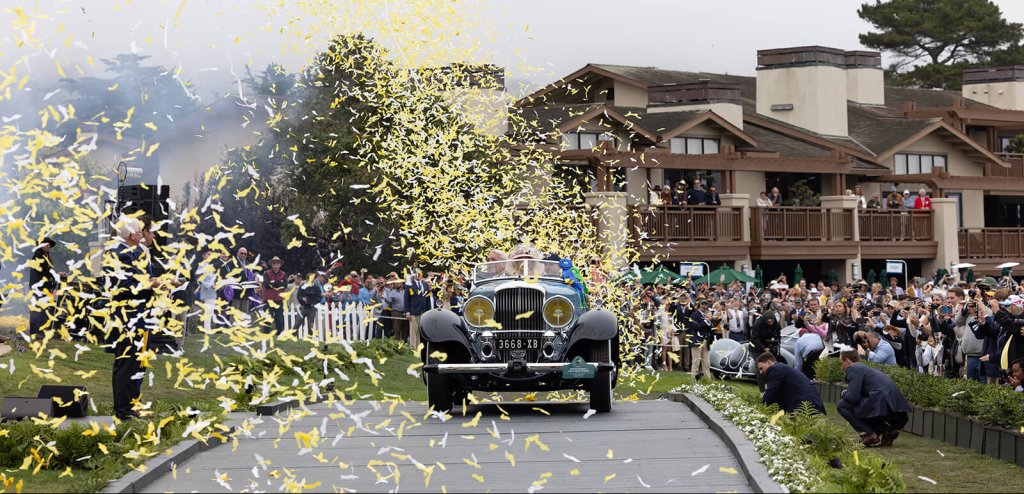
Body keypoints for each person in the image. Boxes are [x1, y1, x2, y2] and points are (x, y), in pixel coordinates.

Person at [104, 215, 162, 421]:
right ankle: (124, 409)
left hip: (140, 314)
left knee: (138, 362)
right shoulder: (118, 253)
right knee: (127, 363)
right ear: (131, 234)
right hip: (128, 315)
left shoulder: (137, 251)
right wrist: (150, 283)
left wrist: (159, 283)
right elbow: (124, 285)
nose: (142, 233)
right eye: (139, 230)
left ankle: (134, 403)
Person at [837, 350, 910, 447]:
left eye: (841, 363)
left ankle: (869, 435)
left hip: (882, 406)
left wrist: (844, 393)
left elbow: (853, 397)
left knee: (842, 405)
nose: (841, 367)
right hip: (896, 410)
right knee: (864, 407)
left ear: (847, 361)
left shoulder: (853, 369)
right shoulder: (865, 369)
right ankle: (887, 431)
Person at [756, 352, 826, 414]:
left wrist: (758, 410)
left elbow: (770, 396)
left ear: (769, 362)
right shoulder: (782, 368)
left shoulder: (774, 369)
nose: (760, 372)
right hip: (812, 404)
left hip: (803, 406)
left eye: (761, 368)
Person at [28, 237, 61, 339]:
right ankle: (35, 332)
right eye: (47, 244)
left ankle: (41, 331)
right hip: (39, 287)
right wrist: (57, 274)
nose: (49, 246)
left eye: (49, 245)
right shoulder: (38, 256)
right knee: (38, 309)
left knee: (43, 310)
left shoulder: (45, 256)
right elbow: (44, 271)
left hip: (43, 287)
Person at [685, 299, 714, 379]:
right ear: (699, 305)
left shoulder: (707, 315)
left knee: (706, 363)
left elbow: (710, 329)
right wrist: (705, 321)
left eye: (705, 305)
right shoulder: (694, 315)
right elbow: (696, 327)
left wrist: (709, 322)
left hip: (706, 340)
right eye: (702, 304)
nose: (704, 306)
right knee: (696, 362)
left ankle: (707, 379)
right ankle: (694, 379)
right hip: (697, 340)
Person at [405, 269, 432, 350]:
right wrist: (407, 312)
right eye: (417, 274)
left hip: (423, 311)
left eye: (420, 273)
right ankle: (412, 348)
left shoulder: (426, 285)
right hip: (413, 310)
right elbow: (406, 299)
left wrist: (429, 312)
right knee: (413, 330)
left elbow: (427, 299)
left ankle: (418, 348)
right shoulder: (409, 285)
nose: (418, 275)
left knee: (419, 331)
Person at [263, 257, 288, 334]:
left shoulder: (283, 274)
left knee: (279, 318)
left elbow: (285, 285)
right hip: (268, 299)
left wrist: (273, 283)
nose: (276, 264)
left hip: (279, 299)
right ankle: (266, 334)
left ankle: (279, 334)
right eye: (274, 263)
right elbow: (266, 284)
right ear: (271, 264)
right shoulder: (266, 273)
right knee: (268, 317)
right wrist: (279, 283)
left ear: (280, 264)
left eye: (277, 263)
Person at [383, 273, 407, 340]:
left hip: (405, 313)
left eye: (398, 283)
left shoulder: (405, 292)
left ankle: (404, 343)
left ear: (402, 284)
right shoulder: (393, 292)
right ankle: (397, 344)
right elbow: (389, 301)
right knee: (397, 329)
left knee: (405, 329)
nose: (396, 284)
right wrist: (384, 298)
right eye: (395, 283)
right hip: (397, 313)